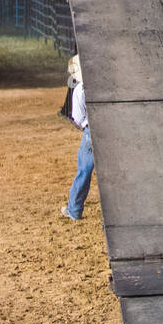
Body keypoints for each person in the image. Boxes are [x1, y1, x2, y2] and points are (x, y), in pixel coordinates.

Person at [60, 56, 93, 222]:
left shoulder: (80, 90)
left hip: (91, 133)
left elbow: (78, 118)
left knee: (84, 171)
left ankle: (74, 209)